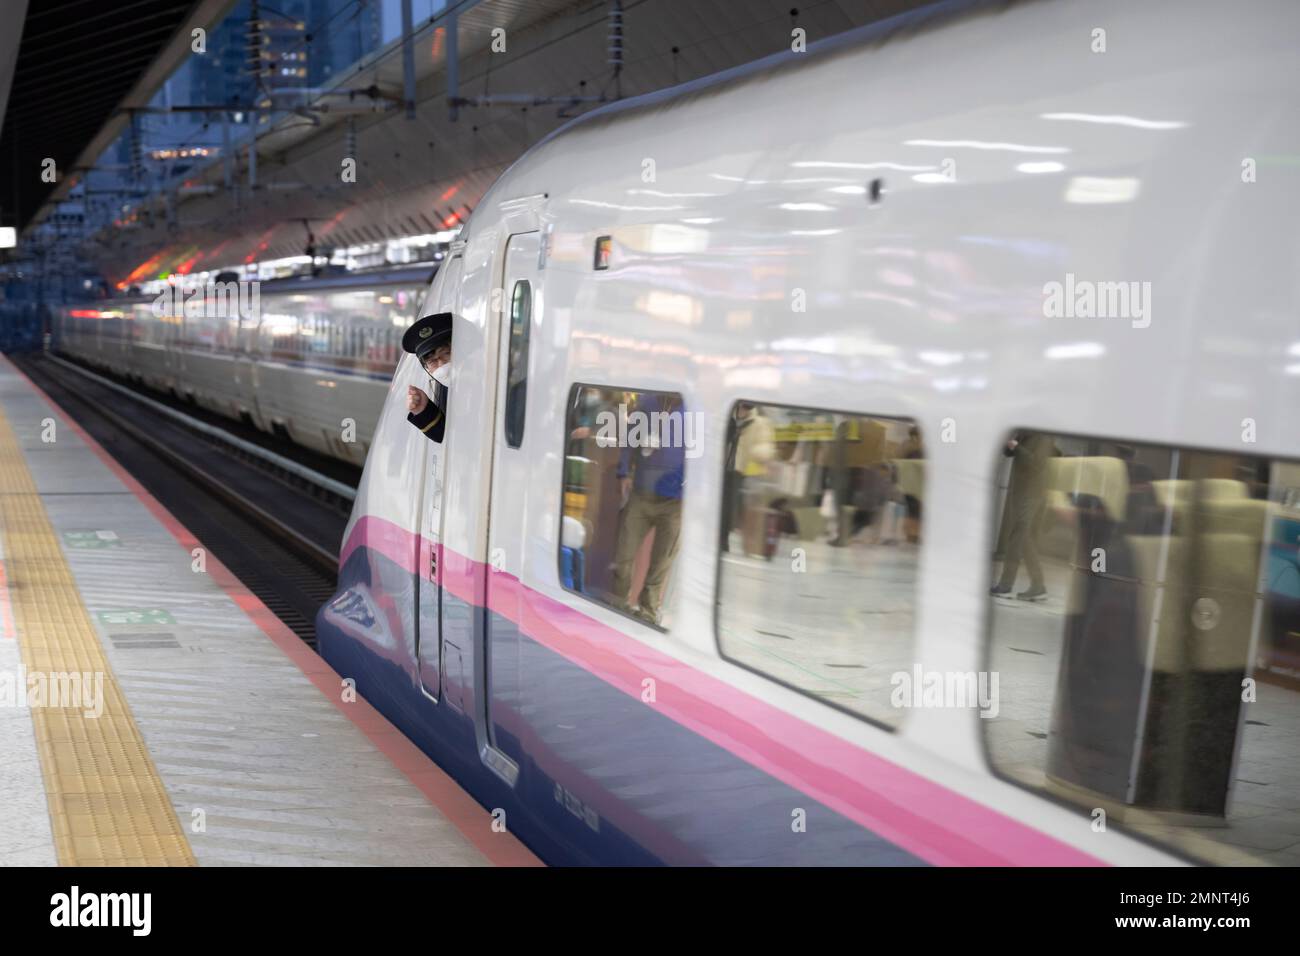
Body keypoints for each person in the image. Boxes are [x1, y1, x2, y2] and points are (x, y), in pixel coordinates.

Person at [610, 394, 686, 626]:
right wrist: (624, 472)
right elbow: (629, 440)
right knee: (623, 556)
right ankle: (618, 604)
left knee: (661, 563)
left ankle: (648, 611)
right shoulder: (647, 403)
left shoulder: (696, 407)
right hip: (642, 494)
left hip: (676, 502)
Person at [990, 430, 1056, 601]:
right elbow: (1009, 453)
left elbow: (1036, 463)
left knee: (1019, 536)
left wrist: (1017, 447)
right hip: (1020, 490)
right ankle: (1038, 585)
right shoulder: (1025, 432)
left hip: (1032, 492)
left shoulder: (1043, 436)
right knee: (1024, 538)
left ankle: (1006, 585)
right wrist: (1010, 444)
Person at [401, 312, 453, 443]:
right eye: (432, 362)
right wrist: (423, 409)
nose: (441, 365)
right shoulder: (443, 388)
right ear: (426, 368)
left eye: (446, 354)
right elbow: (451, 439)